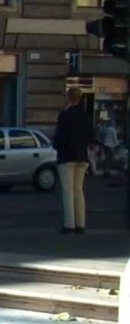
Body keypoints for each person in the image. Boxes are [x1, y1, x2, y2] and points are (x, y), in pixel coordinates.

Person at [52, 87, 95, 235]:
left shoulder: (65, 115)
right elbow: (91, 137)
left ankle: (69, 224)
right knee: (79, 190)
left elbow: (59, 137)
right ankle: (80, 224)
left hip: (66, 156)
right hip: (82, 156)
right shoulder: (85, 115)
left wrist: (56, 145)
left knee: (67, 190)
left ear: (68, 98)